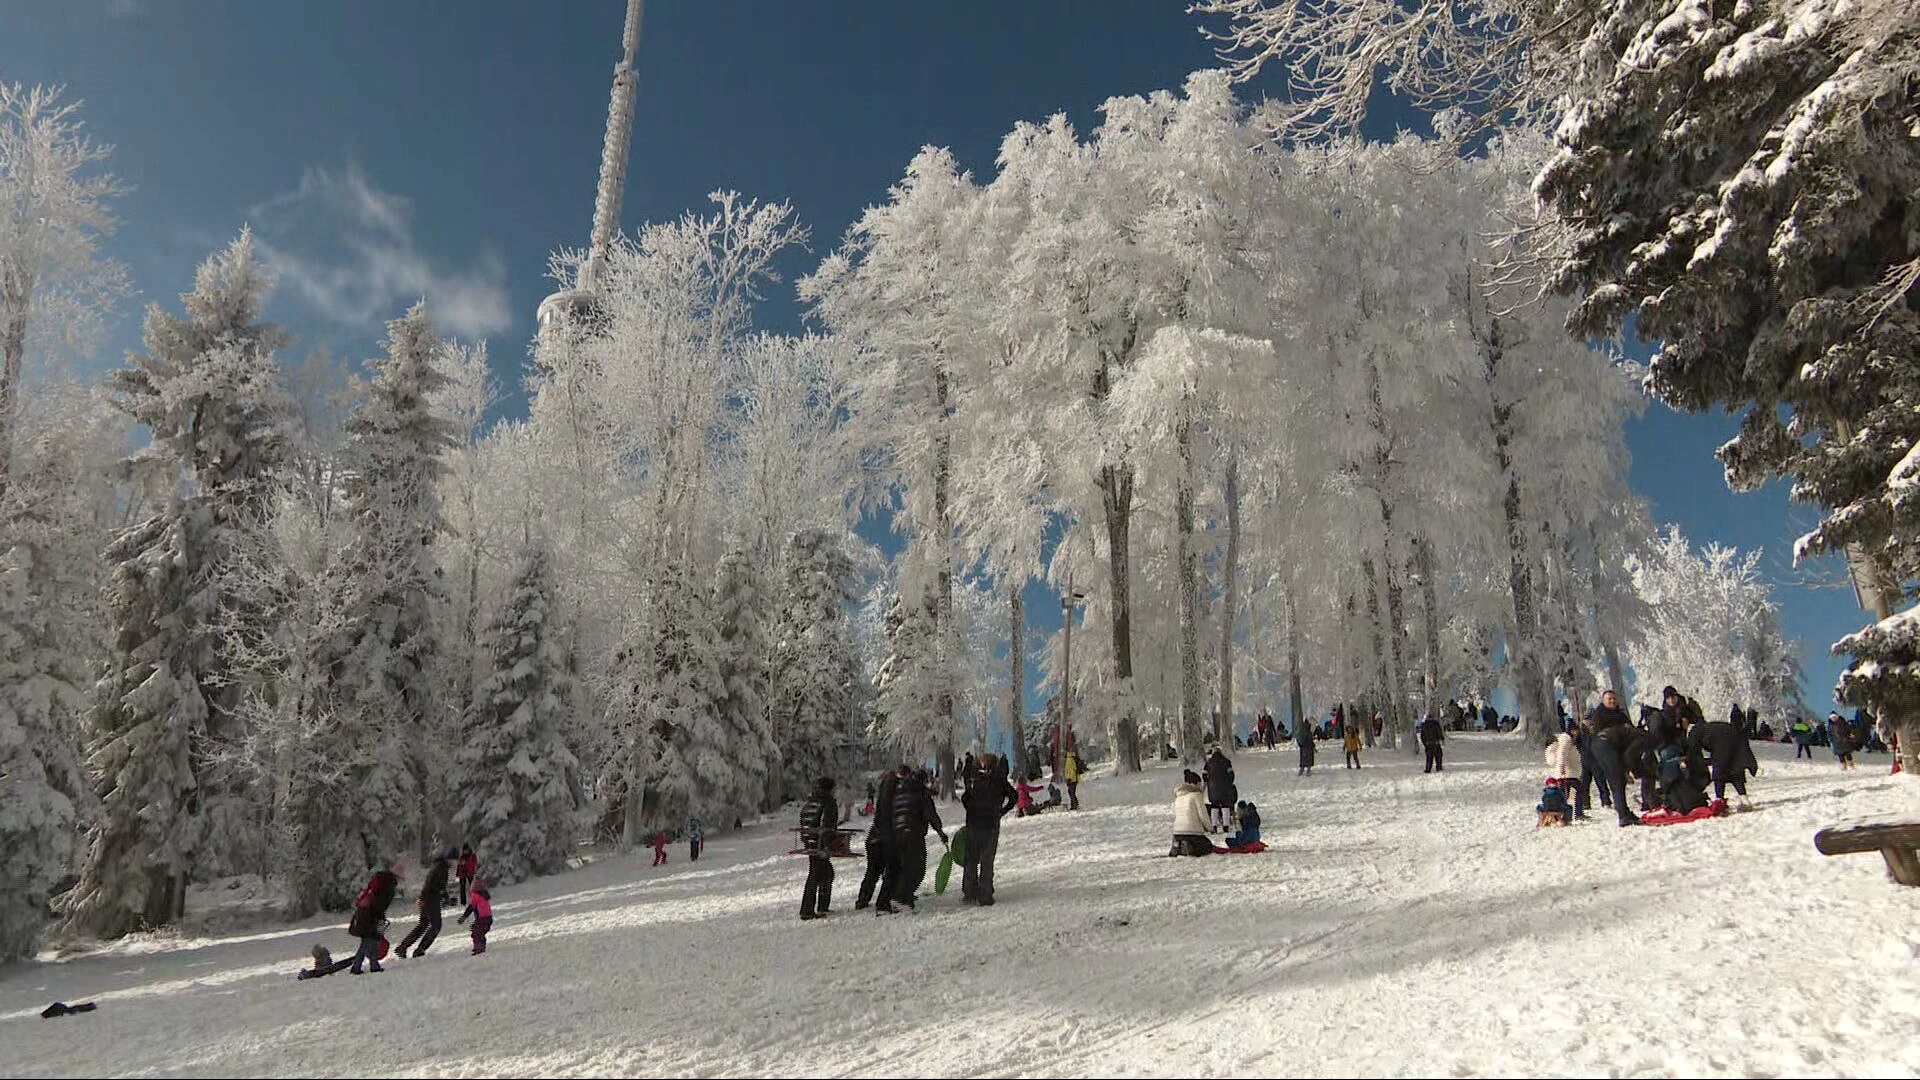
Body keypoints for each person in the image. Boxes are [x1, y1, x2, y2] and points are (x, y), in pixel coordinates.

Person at [881, 766, 946, 912]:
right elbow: (930, 814)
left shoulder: (898, 792)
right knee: (917, 868)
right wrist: (940, 832)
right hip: (913, 833)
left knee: (905, 866)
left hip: (898, 832)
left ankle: (901, 897)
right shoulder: (921, 793)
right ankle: (901, 898)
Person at [960, 752, 1018, 905]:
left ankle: (970, 891)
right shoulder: (999, 780)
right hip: (991, 824)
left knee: (971, 858)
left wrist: (971, 810)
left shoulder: (974, 780)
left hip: (973, 823)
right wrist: (1001, 811)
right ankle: (985, 894)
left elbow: (965, 797)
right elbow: (1014, 796)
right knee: (987, 859)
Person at [1585, 690, 1641, 827]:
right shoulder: (1599, 715)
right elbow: (1596, 736)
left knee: (1620, 780)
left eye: (1614, 699)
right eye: (1609, 699)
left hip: (1618, 750)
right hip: (1604, 749)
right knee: (1616, 779)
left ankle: (1625, 811)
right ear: (1603, 701)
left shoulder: (1621, 715)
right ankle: (1623, 815)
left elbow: (1630, 733)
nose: (1612, 701)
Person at [1690, 705, 1759, 809]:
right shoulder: (1707, 726)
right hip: (1735, 740)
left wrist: (1698, 762)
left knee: (1719, 775)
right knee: (1736, 772)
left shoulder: (1694, 732)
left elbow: (1694, 752)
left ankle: (1720, 801)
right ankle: (1745, 800)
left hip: (1723, 744)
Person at [397, 847, 455, 959]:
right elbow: (431, 884)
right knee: (436, 926)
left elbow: (439, 886)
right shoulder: (440, 869)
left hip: (429, 898)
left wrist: (446, 898)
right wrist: (423, 898)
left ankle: (403, 947)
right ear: (447, 858)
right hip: (431, 899)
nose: (453, 862)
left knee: (423, 925)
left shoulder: (440, 867)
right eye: (452, 859)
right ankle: (420, 949)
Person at [797, 776, 839, 920]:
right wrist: (827, 844)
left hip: (810, 841)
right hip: (820, 841)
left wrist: (807, 839)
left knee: (826, 872)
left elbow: (803, 820)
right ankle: (808, 910)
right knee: (816, 875)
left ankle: (822, 906)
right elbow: (828, 823)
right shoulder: (828, 802)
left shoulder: (810, 802)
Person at [346, 864, 399, 974]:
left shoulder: (380, 882)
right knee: (368, 941)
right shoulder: (388, 887)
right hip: (370, 915)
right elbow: (380, 905)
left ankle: (372, 965)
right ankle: (357, 967)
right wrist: (380, 918)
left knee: (372, 940)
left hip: (365, 913)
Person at [1547, 720, 1588, 820]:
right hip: (1566, 773)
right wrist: (1561, 767)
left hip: (1570, 772)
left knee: (1566, 794)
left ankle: (1567, 814)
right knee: (1577, 790)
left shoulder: (1570, 739)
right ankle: (1574, 813)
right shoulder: (1566, 739)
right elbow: (1562, 753)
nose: (1577, 733)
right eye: (1576, 730)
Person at [1169, 770, 1212, 857]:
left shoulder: (1179, 797)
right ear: (1196, 783)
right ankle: (1189, 847)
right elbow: (1202, 815)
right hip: (1193, 832)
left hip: (1177, 832)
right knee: (1207, 847)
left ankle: (1178, 846)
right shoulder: (1196, 795)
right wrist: (1210, 828)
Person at [1203, 746, 1237, 832]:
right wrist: (1229, 783)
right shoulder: (1226, 761)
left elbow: (1204, 775)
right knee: (1225, 806)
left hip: (1213, 788)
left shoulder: (1208, 763)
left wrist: (1208, 782)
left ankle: (1214, 826)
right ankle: (1226, 826)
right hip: (1225, 788)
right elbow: (1231, 774)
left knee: (1214, 807)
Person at [456, 879, 493, 954]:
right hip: (488, 918)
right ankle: (480, 946)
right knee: (478, 932)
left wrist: (464, 917)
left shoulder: (475, 895)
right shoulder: (484, 895)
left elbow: (471, 907)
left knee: (477, 933)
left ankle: (479, 947)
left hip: (481, 918)